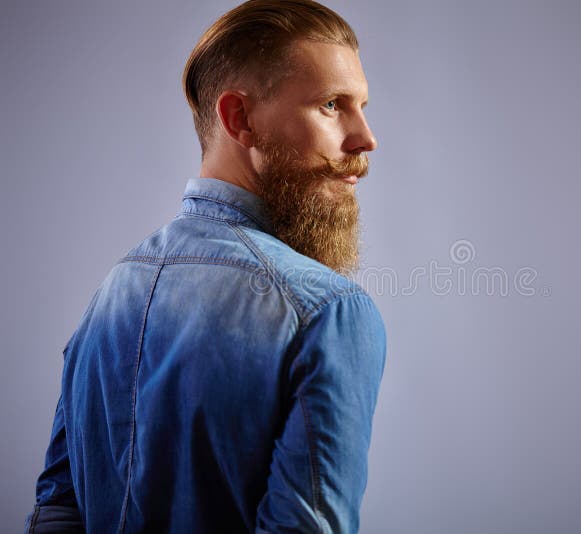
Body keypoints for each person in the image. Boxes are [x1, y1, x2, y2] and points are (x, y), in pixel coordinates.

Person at [25, 1, 386, 532]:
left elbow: (57, 514)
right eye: (333, 105)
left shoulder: (107, 297)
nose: (365, 138)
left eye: (362, 105)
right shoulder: (328, 312)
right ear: (239, 118)